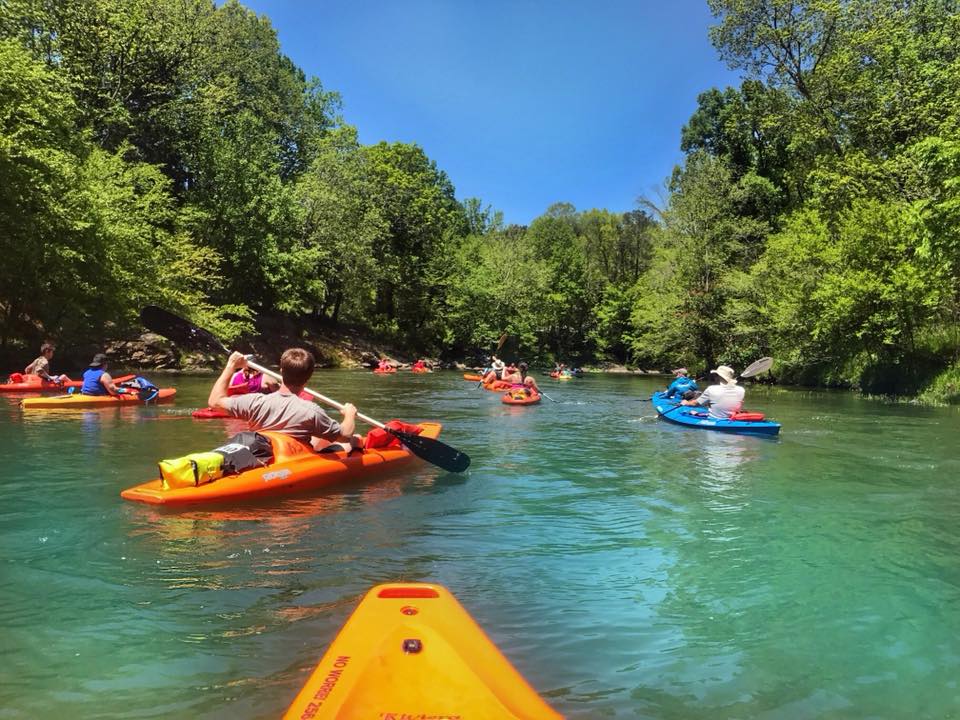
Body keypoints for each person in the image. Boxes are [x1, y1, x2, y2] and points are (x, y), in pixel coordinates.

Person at [209, 349, 362, 452]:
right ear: (309, 376)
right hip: (294, 458)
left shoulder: (254, 402)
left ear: (281, 372)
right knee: (353, 440)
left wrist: (230, 366)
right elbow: (345, 434)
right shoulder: (311, 411)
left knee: (318, 437)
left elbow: (215, 401)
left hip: (264, 454)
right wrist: (349, 414)